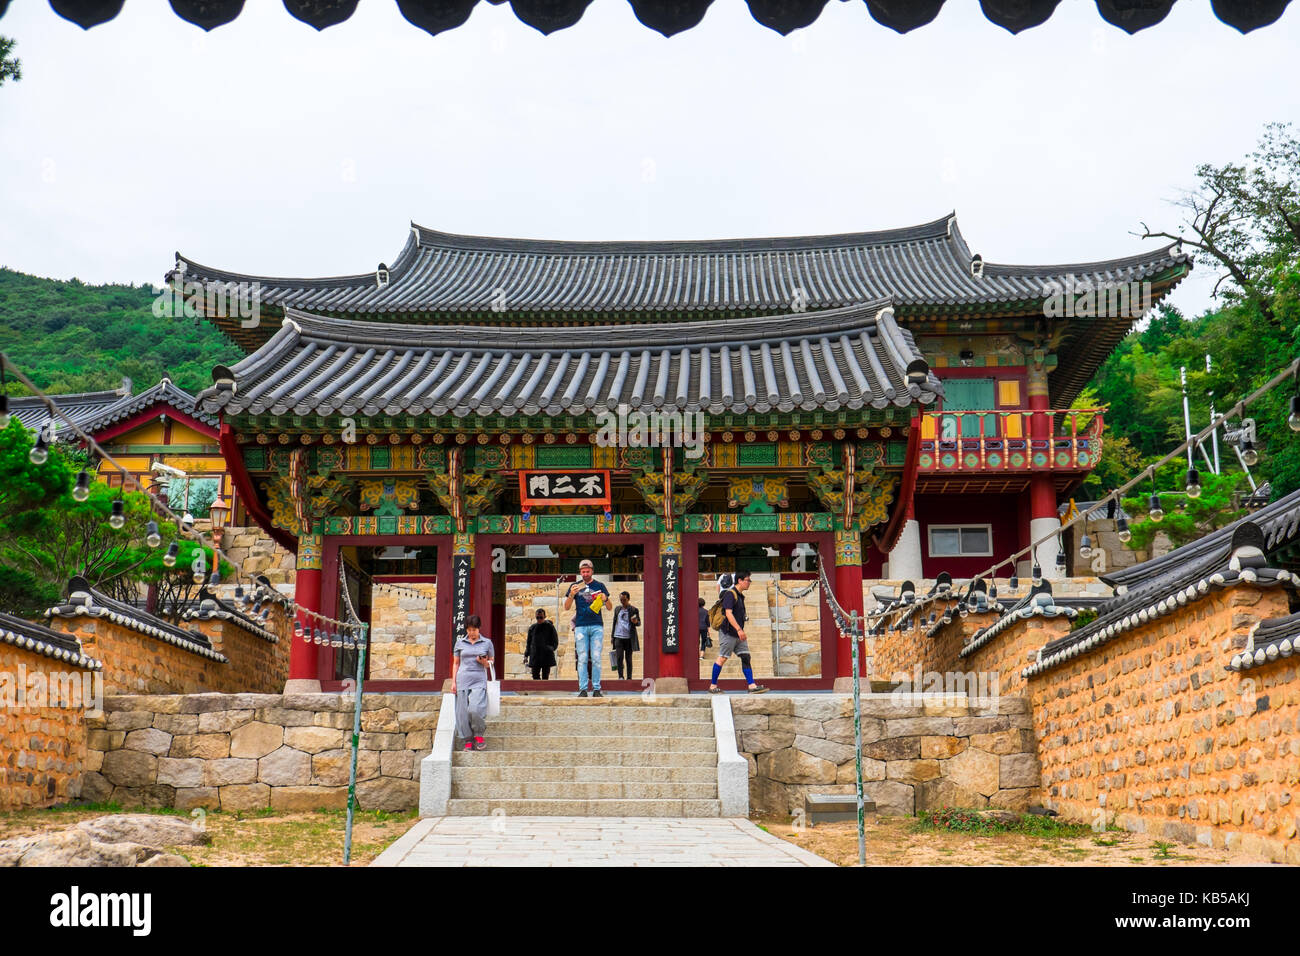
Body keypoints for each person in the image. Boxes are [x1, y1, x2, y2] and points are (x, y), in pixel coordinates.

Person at [708, 569, 768, 694]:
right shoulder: (730, 594)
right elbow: (728, 614)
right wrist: (739, 629)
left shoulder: (740, 596)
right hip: (728, 632)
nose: (749, 582)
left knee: (745, 656)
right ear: (740, 581)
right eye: (747, 580)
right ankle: (713, 686)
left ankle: (752, 686)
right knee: (722, 658)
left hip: (738, 633)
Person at [564, 558, 610, 697]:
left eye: (587, 571)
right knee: (582, 658)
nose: (585, 574)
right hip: (581, 626)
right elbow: (566, 607)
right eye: (583, 571)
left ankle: (596, 688)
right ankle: (583, 688)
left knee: (596, 657)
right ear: (580, 572)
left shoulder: (600, 585)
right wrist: (572, 594)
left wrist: (605, 598)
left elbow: (609, 607)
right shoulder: (575, 586)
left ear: (592, 571)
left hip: (596, 625)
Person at [450, 614, 494, 750]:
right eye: (469, 630)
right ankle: (468, 740)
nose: (471, 633)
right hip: (462, 679)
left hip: (479, 680)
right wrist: (453, 682)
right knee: (462, 713)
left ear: (479, 628)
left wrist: (484, 662)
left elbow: (491, 664)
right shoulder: (460, 643)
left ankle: (479, 734)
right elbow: (456, 663)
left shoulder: (487, 643)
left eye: (474, 630)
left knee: (475, 709)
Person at [611, 590, 641, 680]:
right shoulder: (617, 609)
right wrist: (612, 636)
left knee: (628, 659)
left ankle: (629, 677)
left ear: (628, 599)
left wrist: (635, 622)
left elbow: (639, 623)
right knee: (619, 658)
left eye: (624, 600)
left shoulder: (634, 610)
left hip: (629, 638)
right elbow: (614, 622)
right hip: (618, 637)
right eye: (621, 600)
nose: (622, 602)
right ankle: (620, 676)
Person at [524, 608, 558, 680]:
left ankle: (544, 690)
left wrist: (550, 648)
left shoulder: (550, 627)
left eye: (541, 617)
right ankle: (537, 690)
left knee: (545, 677)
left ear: (545, 617)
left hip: (546, 655)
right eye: (537, 617)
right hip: (535, 655)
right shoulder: (532, 628)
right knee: (535, 676)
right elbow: (529, 642)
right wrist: (526, 655)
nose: (539, 619)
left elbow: (555, 641)